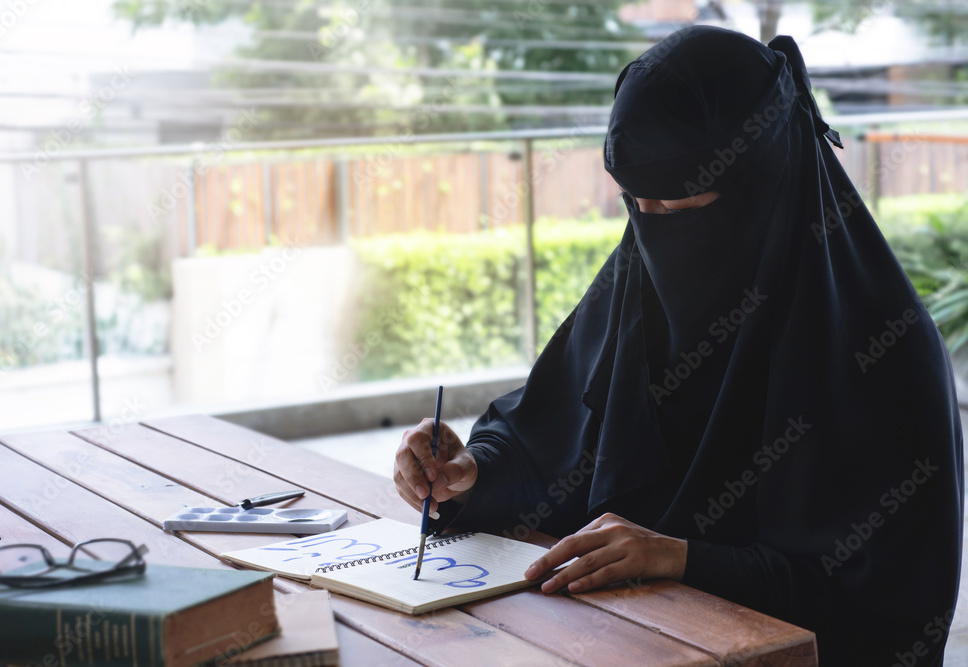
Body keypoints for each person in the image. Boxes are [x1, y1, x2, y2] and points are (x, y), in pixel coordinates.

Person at [392, 26, 964, 665]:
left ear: (764, 184)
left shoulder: (881, 347)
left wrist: (683, 557)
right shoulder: (638, 282)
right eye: (637, 206)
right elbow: (548, 443)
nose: (654, 231)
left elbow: (885, 607)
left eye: (679, 206)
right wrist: (472, 473)